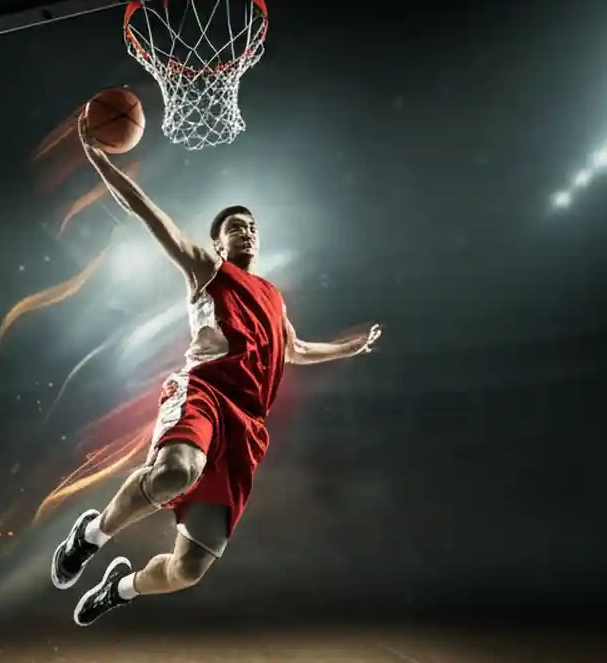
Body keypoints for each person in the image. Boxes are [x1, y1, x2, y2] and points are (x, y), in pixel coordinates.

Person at [53, 107, 382, 626]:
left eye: (251, 227)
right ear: (218, 242)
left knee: (189, 568)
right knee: (176, 471)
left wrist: (347, 349)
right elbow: (147, 213)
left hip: (247, 428)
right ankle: (89, 537)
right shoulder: (208, 270)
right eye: (234, 227)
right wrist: (102, 162)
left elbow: (294, 350)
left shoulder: (274, 298)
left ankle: (121, 588)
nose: (246, 232)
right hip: (204, 393)